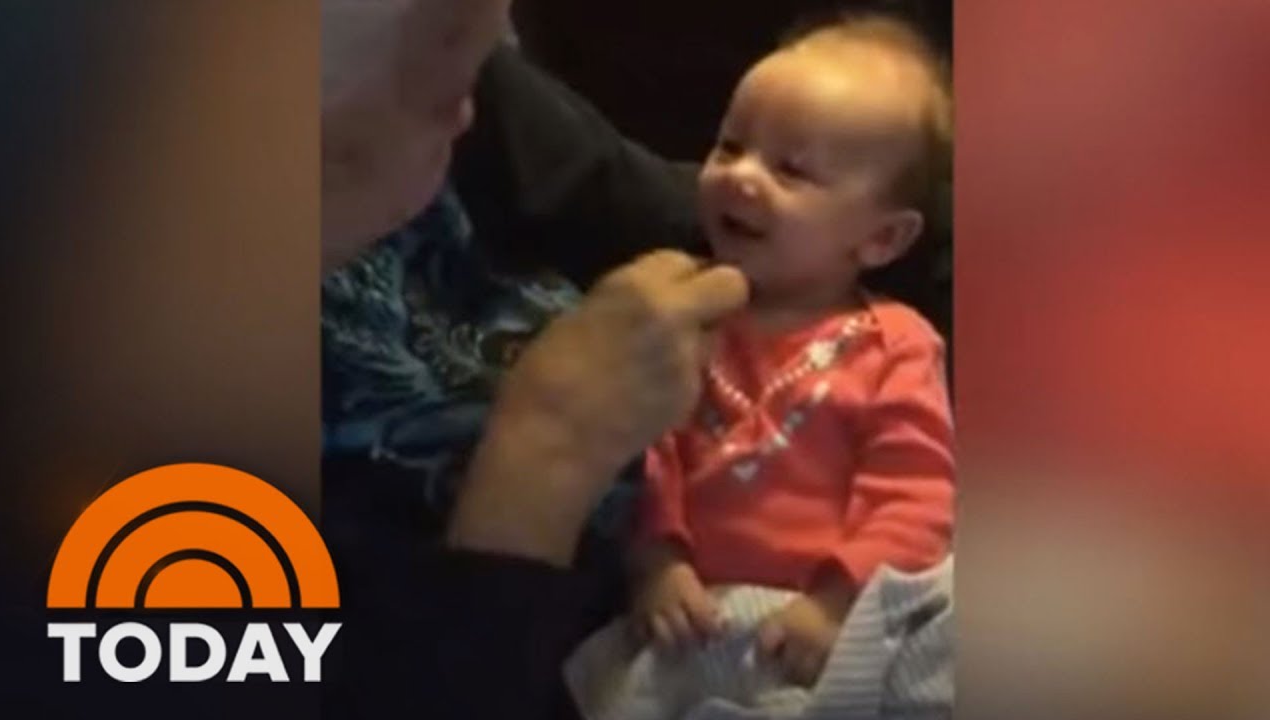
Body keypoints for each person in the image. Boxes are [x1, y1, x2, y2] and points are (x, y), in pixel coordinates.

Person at [319, 3, 952, 718]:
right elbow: (665, 469)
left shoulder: (874, 334)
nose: (473, 100)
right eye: (730, 146)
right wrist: (547, 467)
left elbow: (915, 490)